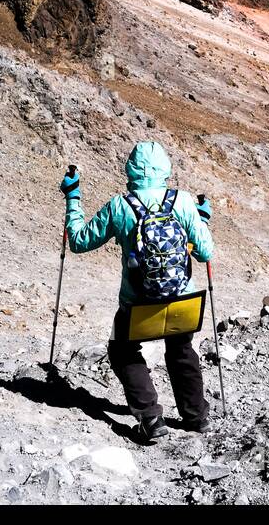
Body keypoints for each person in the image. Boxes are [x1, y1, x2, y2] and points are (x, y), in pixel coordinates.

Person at [59, 141, 214, 443]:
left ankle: (151, 418)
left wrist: (73, 198)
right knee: (181, 350)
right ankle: (196, 417)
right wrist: (202, 220)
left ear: (130, 169)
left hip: (139, 303)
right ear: (166, 169)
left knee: (122, 350)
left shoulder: (120, 206)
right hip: (184, 299)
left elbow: (78, 241)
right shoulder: (182, 201)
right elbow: (205, 252)